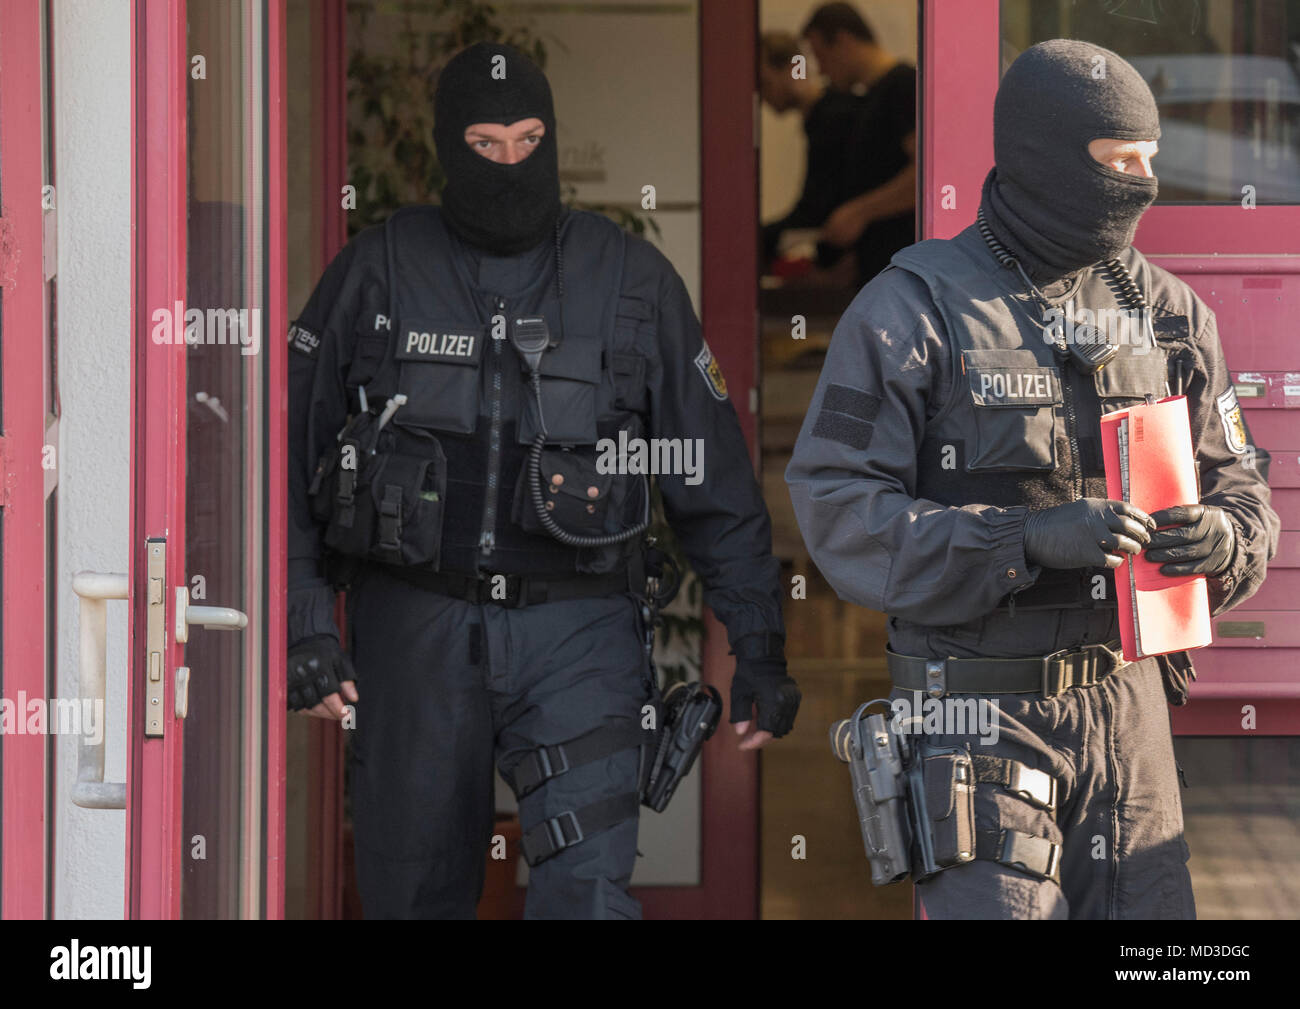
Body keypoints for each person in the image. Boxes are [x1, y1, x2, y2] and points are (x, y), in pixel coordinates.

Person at [286, 42, 800, 920]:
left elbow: (710, 478)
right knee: (412, 896)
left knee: (587, 896)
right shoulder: (376, 271)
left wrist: (758, 643)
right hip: (414, 633)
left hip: (579, 638)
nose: (512, 163)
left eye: (530, 140)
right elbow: (291, 473)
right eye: (486, 145)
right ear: (452, 150)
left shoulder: (629, 280)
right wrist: (305, 629)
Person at [786, 39, 1278, 919]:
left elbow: (1242, 484)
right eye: (1117, 161)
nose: (1144, 182)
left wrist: (1228, 538)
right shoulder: (914, 308)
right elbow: (839, 508)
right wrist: (1018, 541)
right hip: (979, 726)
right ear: (1045, 157)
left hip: (1131, 719)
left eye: (1151, 159)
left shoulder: (1170, 316)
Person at [801, 3, 916, 286]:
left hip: (900, 270)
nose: (822, 70)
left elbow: (926, 173)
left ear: (843, 40)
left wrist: (858, 212)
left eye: (821, 56)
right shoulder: (869, 97)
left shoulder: (902, 85)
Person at [758, 30, 863, 276]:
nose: (763, 96)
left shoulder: (832, 117)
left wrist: (762, 239)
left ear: (789, 68)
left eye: (764, 83)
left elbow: (817, 206)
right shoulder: (825, 115)